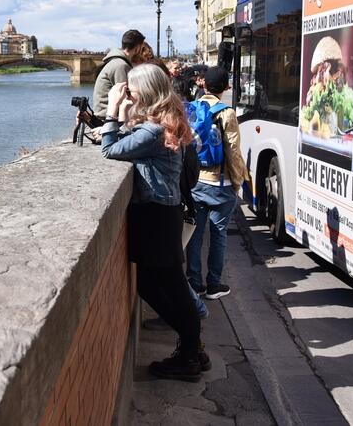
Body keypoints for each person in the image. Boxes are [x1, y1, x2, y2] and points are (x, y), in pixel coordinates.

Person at [101, 64, 210, 381]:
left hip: (156, 215)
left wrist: (112, 110)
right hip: (163, 213)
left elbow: (110, 150)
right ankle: (192, 348)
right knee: (159, 283)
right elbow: (128, 143)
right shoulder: (161, 123)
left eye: (131, 89)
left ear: (145, 92)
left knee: (169, 286)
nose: (127, 93)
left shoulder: (152, 131)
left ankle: (190, 353)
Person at [186, 66, 247, 300]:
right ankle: (213, 284)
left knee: (195, 234)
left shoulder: (193, 108)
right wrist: (237, 180)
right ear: (226, 88)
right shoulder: (227, 113)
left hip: (196, 182)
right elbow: (233, 152)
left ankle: (194, 283)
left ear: (204, 85)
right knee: (219, 234)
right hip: (219, 184)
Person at [91, 29, 145, 121]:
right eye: (142, 48)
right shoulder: (121, 65)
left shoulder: (115, 61)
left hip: (106, 113)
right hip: (107, 117)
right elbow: (126, 97)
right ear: (137, 47)